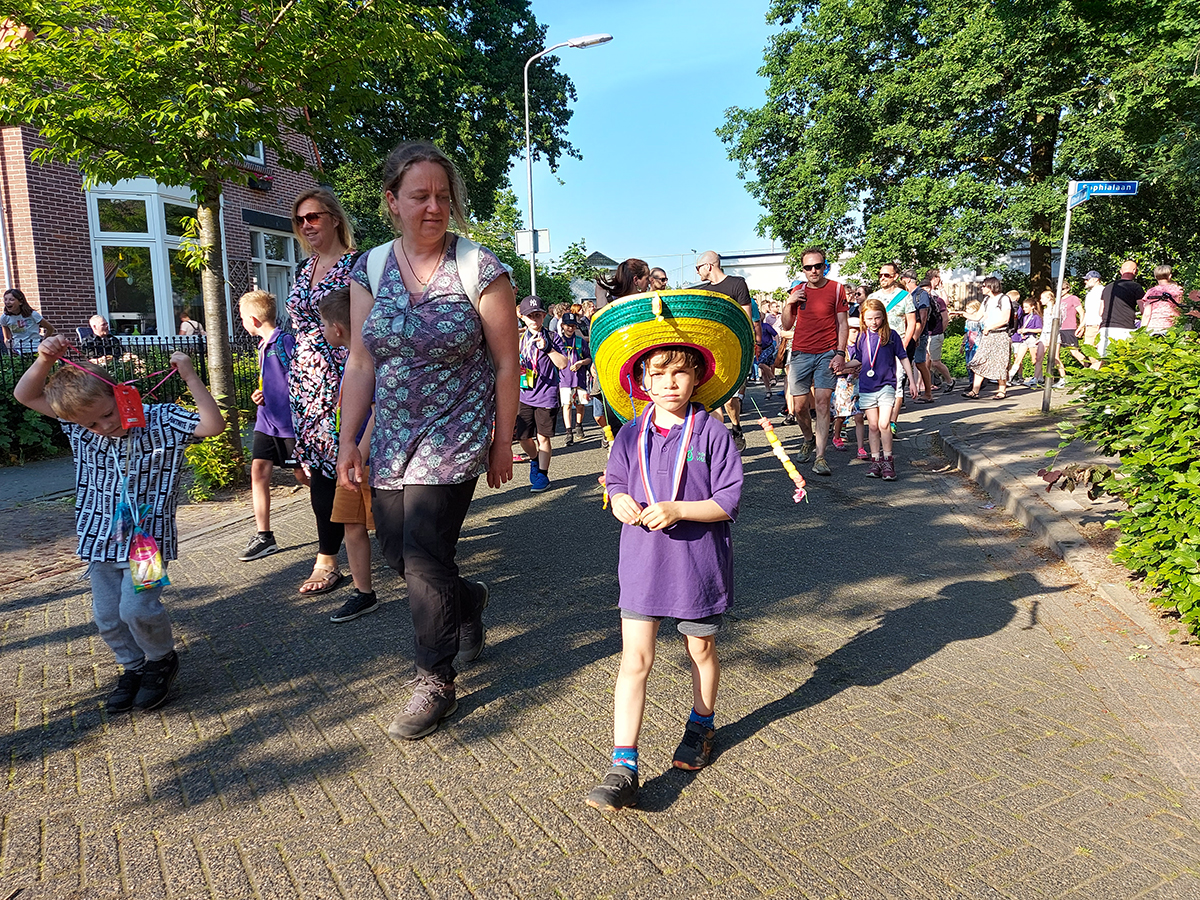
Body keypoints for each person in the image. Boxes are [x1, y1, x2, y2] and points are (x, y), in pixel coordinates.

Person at [337, 140, 519, 740]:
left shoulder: (480, 269)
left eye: (443, 196)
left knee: (422, 555)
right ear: (392, 202)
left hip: (457, 429)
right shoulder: (369, 268)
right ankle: (467, 603)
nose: (434, 207)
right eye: (420, 196)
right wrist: (350, 440)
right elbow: (361, 362)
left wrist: (500, 441)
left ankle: (433, 679)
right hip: (389, 436)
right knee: (400, 554)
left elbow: (504, 364)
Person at [14, 335, 224, 711]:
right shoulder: (80, 427)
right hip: (100, 539)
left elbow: (212, 426)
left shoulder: (161, 419)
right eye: (92, 423)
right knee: (107, 617)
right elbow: (26, 395)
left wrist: (191, 377)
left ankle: (161, 660)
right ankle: (133, 666)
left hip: (148, 540)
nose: (104, 426)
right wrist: (44, 360)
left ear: (121, 394)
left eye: (108, 414)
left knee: (138, 609)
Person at [585, 335, 744, 811]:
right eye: (657, 374)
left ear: (698, 378)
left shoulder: (712, 432)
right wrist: (617, 499)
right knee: (634, 659)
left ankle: (701, 722)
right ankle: (623, 764)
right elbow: (614, 480)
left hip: (697, 564)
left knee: (700, 648)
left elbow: (728, 500)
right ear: (641, 381)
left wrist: (678, 508)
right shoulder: (630, 433)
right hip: (641, 563)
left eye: (679, 373)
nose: (669, 383)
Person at [286, 187, 358, 596]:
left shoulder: (356, 266)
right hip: (304, 381)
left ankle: (345, 551)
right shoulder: (303, 268)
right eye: (300, 220)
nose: (307, 226)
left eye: (313, 217)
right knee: (317, 469)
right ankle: (328, 557)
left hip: (342, 373)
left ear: (333, 218)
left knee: (345, 459)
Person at [318, 289, 378, 623]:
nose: (323, 329)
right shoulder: (351, 360)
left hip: (367, 461)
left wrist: (360, 457)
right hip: (356, 460)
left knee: (387, 527)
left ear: (338, 328)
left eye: (325, 323)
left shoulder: (368, 359)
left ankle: (429, 587)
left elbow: (376, 412)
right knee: (351, 525)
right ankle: (363, 591)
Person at [238, 289, 298, 563]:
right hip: (266, 421)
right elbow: (273, 383)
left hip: (288, 426)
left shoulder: (285, 342)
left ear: (254, 319)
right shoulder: (263, 346)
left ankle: (343, 512)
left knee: (304, 476)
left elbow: (301, 380)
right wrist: (260, 394)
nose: (241, 323)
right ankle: (265, 536)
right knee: (258, 471)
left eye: (242, 318)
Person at [780, 247, 849, 476]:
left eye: (817, 266)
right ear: (803, 269)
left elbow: (843, 323)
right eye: (808, 267)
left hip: (826, 352)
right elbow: (787, 325)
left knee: (821, 401)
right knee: (799, 406)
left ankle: (820, 457)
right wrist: (789, 302)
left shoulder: (836, 289)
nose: (813, 271)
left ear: (824, 266)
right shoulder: (798, 290)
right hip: (800, 353)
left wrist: (840, 352)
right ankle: (808, 438)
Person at [695, 250, 759, 452]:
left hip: (735, 350)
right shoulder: (703, 291)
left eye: (698, 268)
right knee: (713, 399)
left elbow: (746, 318)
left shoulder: (737, 284)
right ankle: (719, 443)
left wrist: (746, 347)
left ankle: (737, 428)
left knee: (731, 400)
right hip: (712, 352)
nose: (697, 272)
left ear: (709, 266)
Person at [849, 299, 917, 480]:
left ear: (883, 317)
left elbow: (903, 358)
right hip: (866, 386)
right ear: (863, 318)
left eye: (877, 318)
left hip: (887, 385)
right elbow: (859, 359)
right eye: (869, 318)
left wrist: (911, 380)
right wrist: (843, 365)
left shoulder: (891, 335)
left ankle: (888, 460)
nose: (874, 322)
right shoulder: (862, 336)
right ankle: (875, 461)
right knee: (872, 426)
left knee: (884, 424)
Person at [516, 295, 567, 491]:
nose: (535, 320)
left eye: (538, 315)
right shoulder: (519, 339)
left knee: (543, 437)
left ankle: (543, 475)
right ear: (523, 317)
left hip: (546, 394)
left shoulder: (553, 338)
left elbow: (563, 364)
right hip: (523, 394)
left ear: (544, 315)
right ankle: (535, 459)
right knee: (523, 437)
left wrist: (547, 349)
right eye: (530, 316)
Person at [867, 263, 915, 434]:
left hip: (896, 345)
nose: (882, 278)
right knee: (877, 383)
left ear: (895, 276)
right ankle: (881, 420)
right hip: (876, 347)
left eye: (887, 275)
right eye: (880, 275)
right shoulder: (873, 297)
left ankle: (891, 422)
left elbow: (911, 322)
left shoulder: (904, 296)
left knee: (896, 383)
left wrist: (904, 343)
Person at [963, 276, 1011, 399]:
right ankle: (975, 391)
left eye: (984, 285)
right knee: (979, 361)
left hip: (1000, 335)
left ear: (991, 286)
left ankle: (1001, 391)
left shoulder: (1004, 299)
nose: (982, 288)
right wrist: (960, 313)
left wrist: (990, 327)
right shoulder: (986, 301)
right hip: (987, 335)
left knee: (1000, 362)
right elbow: (977, 317)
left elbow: (1005, 319)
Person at [831, 316, 866, 459]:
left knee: (859, 416)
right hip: (843, 385)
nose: (856, 334)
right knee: (841, 416)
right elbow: (835, 370)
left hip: (858, 385)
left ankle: (861, 447)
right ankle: (837, 436)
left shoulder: (862, 347)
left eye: (858, 331)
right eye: (853, 331)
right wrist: (848, 370)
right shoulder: (840, 349)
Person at [558, 312, 591, 446]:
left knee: (580, 404)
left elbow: (589, 358)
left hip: (580, 379)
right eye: (568, 326)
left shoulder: (580, 341)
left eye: (573, 326)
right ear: (562, 326)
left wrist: (580, 363)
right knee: (567, 405)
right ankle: (568, 432)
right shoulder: (559, 341)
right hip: (565, 379)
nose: (570, 328)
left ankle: (579, 425)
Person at [1098, 260, 1143, 358]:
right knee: (1125, 361)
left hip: (1105, 328)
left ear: (1121, 272)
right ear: (1135, 271)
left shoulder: (1108, 287)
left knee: (1102, 360)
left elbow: (1100, 311)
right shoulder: (1136, 287)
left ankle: (1087, 373)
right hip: (1125, 328)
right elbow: (1143, 309)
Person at [903, 271, 936, 403]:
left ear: (908, 280)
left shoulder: (921, 294)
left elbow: (923, 317)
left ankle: (928, 393)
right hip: (907, 334)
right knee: (908, 363)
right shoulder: (906, 294)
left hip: (918, 335)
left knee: (920, 363)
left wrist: (915, 337)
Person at [1008, 296, 1045, 387]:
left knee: (1035, 360)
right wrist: (1021, 330)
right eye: (1023, 307)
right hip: (1024, 339)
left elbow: (1040, 329)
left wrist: (1027, 330)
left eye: (1026, 307)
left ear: (1032, 307)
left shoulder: (1036, 317)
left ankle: (1040, 378)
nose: (1024, 309)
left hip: (1032, 339)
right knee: (1018, 359)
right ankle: (1009, 378)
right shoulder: (1025, 317)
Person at [1139, 264, 1183, 335]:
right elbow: (1181, 308)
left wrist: (1141, 331)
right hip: (1171, 326)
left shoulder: (1151, 292)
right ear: (1170, 276)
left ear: (1155, 277)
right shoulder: (1178, 291)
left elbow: (1147, 314)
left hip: (1153, 326)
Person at [1079, 269, 1105, 359]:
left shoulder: (1103, 291)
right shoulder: (1089, 294)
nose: (1085, 281)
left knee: (1097, 352)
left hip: (1098, 324)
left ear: (1096, 279)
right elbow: (1088, 312)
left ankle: (1097, 371)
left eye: (1088, 279)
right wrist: (1081, 326)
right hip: (1089, 325)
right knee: (1089, 351)